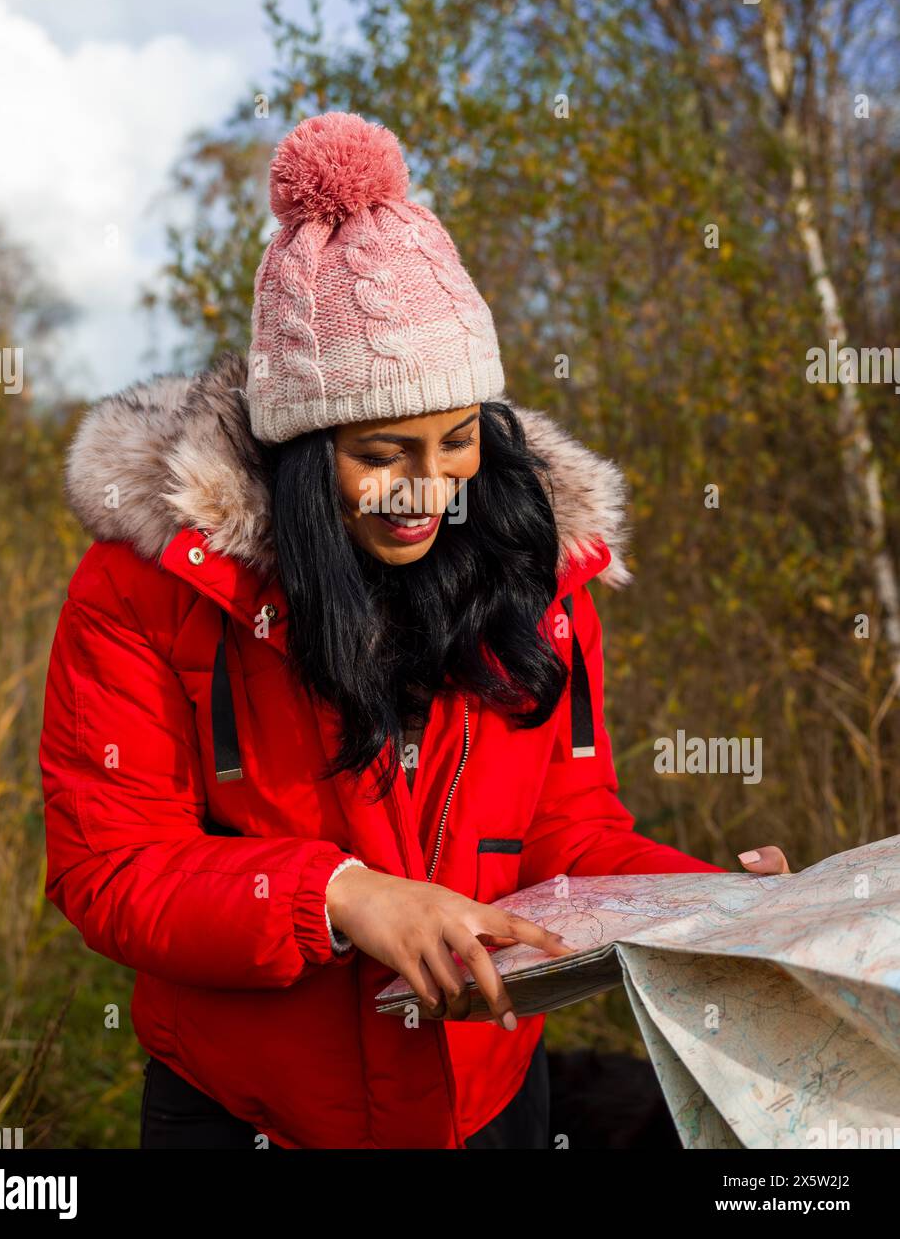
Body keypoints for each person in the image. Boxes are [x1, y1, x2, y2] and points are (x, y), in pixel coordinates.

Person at [39, 111, 789, 1150]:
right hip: (242, 1112)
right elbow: (110, 868)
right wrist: (339, 895)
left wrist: (717, 911)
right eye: (381, 453)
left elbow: (568, 833)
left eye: (454, 442)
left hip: (481, 1107)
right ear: (301, 454)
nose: (425, 490)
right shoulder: (149, 586)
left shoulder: (538, 578)